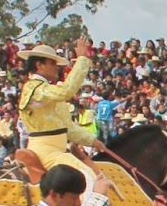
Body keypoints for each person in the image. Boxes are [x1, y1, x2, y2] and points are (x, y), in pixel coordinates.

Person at [18, 38, 105, 180]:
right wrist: (82, 59)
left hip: (57, 151)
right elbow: (66, 91)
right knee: (87, 177)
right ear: (39, 65)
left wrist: (93, 141)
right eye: (52, 63)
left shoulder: (47, 91)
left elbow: (68, 128)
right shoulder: (34, 88)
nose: (56, 67)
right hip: (45, 152)